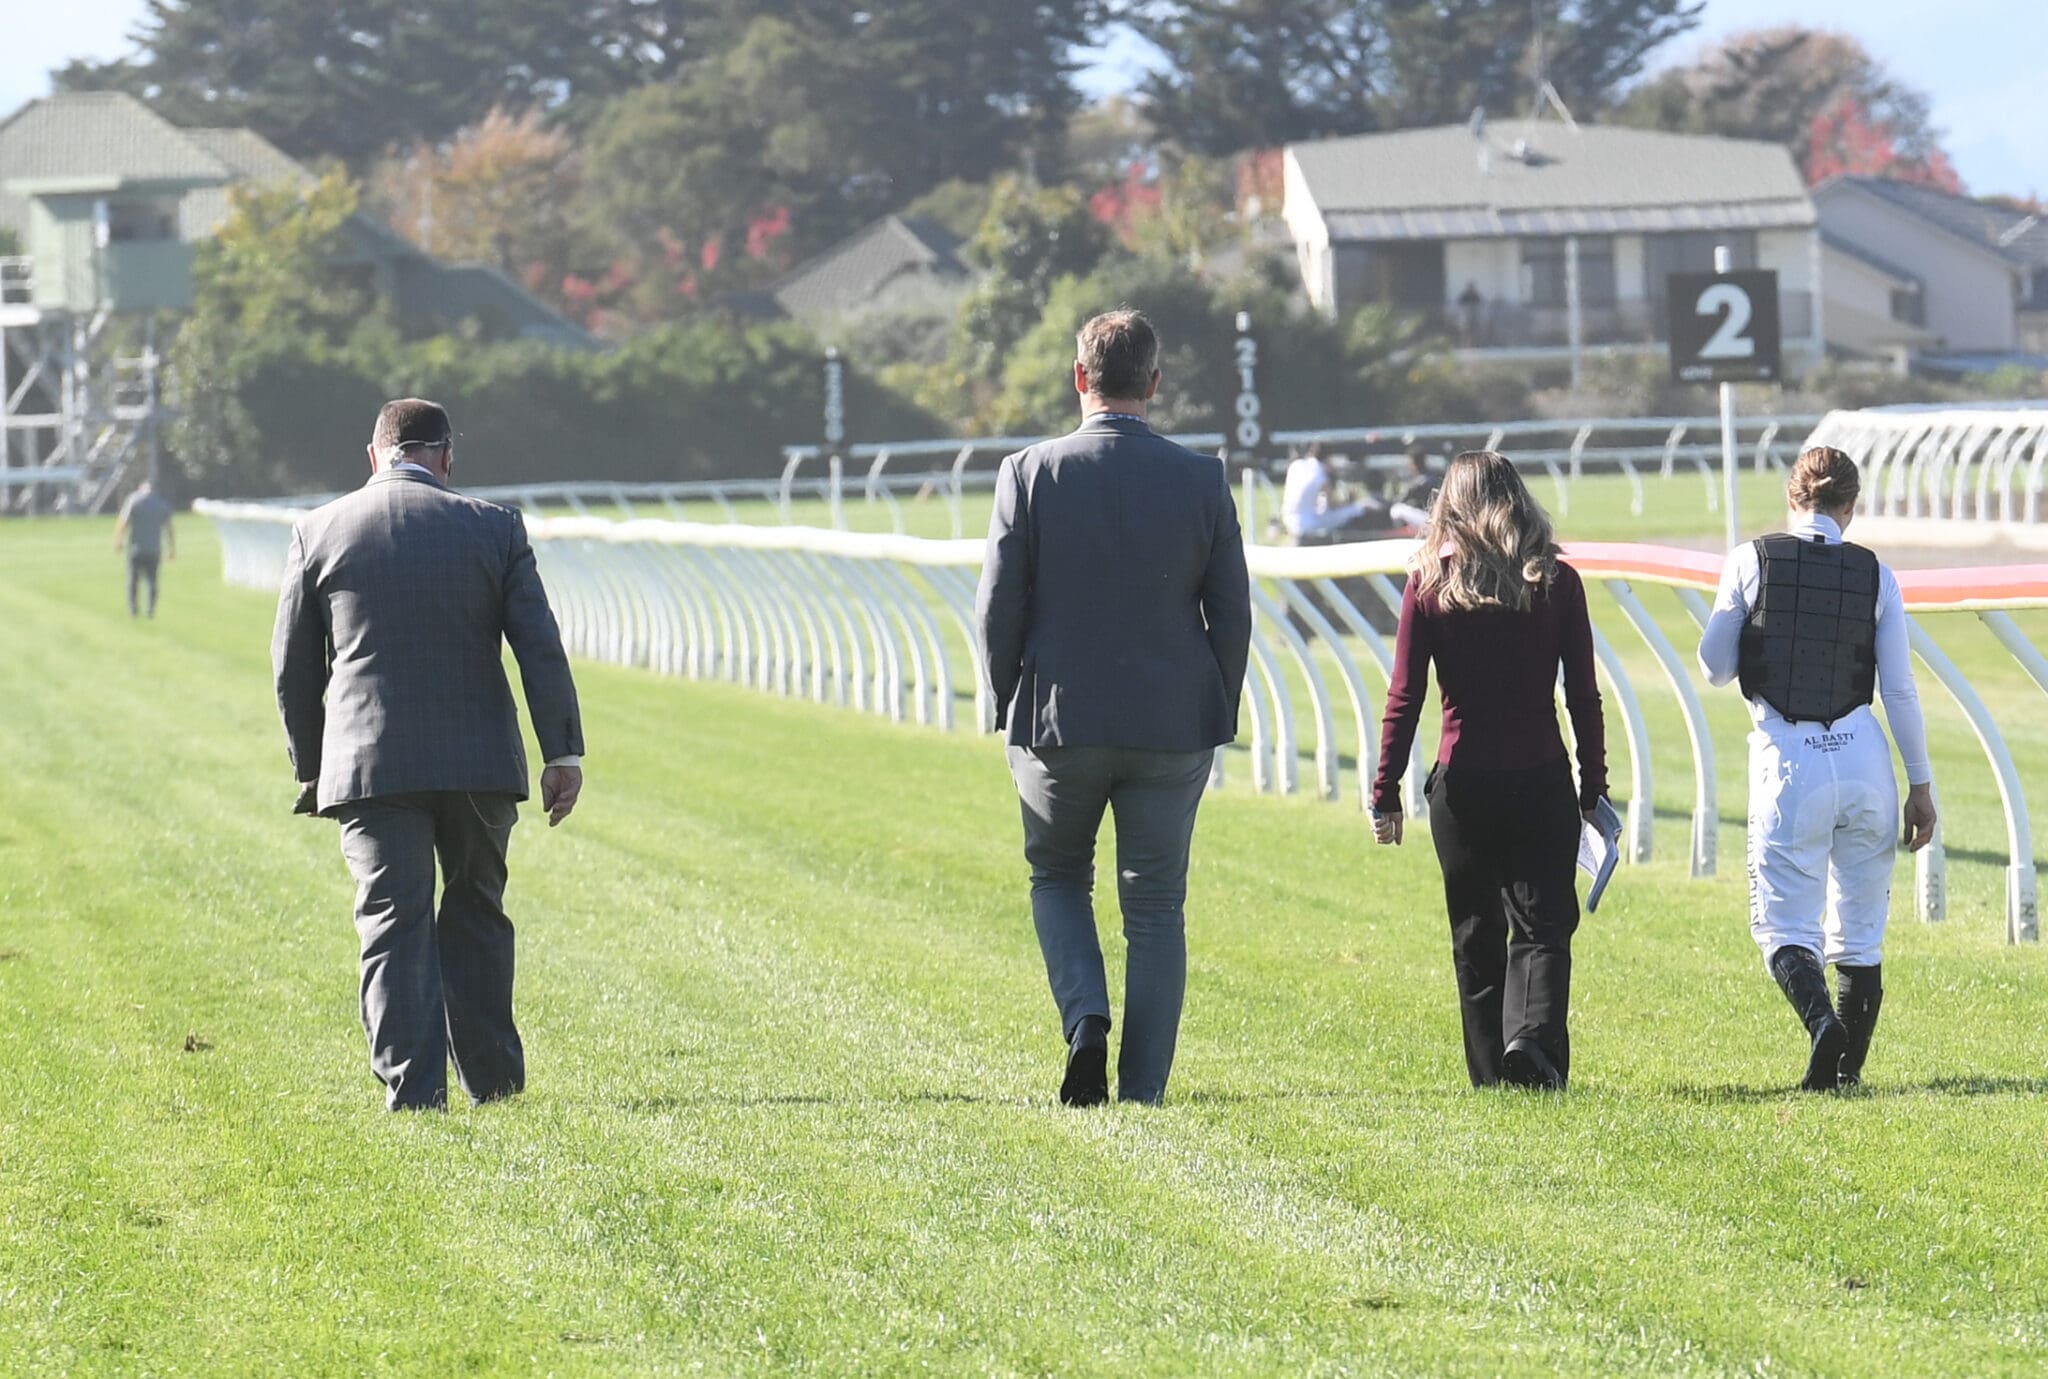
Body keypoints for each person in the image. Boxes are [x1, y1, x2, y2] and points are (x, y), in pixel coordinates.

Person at [271, 398, 585, 1112]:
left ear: (373, 455)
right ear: (446, 456)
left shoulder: (317, 530)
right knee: (477, 909)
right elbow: (539, 645)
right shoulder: (494, 527)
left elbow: (293, 670)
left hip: (370, 764)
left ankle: (412, 1093)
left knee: (391, 919)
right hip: (478, 763)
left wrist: (312, 768)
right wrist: (561, 750)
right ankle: (495, 1084)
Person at [976, 309, 1251, 1107]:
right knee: (1157, 905)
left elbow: (999, 603)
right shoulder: (1203, 478)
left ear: (1079, 378)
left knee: (1057, 874)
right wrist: (1216, 705)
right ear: (1155, 384)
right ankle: (1143, 1089)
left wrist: (1003, 698)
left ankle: (1086, 1019)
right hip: (1171, 723)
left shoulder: (1027, 472)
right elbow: (1231, 610)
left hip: (1058, 719)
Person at [1697, 445, 1936, 1092]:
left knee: (1782, 928)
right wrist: (1922, 785)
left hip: (1788, 758)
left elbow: (1714, 667)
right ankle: (1844, 1072)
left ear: (1791, 496)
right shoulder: (1878, 574)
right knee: (1859, 935)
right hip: (1865, 756)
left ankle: (1822, 1026)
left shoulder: (1750, 559)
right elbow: (1902, 691)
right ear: (1850, 506)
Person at [1371, 451, 1606, 1091]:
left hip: (1462, 783)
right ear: (1520, 500)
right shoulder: (1556, 582)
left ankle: (1491, 1076)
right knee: (1544, 925)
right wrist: (1596, 787)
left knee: (1475, 933)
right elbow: (1582, 695)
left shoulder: (1428, 583)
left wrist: (1384, 791)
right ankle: (1530, 1044)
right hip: (1539, 778)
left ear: (1449, 504)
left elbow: (1404, 696)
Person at [1281, 440, 1376, 540]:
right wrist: (1350, 501)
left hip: (1288, 519)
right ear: (1327, 458)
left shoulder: (1296, 465)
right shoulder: (1319, 473)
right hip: (1306, 524)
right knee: (1357, 509)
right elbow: (1332, 505)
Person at [113, 479, 175, 617]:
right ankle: (150, 610)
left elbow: (123, 523)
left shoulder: (133, 501)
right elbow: (169, 528)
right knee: (152, 580)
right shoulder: (161, 504)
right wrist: (172, 549)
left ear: (140, 489)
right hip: (153, 549)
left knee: (133, 580)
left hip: (136, 549)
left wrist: (118, 541)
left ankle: (133, 609)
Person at [1388, 443, 1439, 530]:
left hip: (1431, 520)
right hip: (1429, 519)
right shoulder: (1429, 477)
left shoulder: (1424, 480)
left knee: (1396, 509)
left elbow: (1401, 499)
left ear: (1414, 463)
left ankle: (1401, 533)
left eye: (1409, 461)